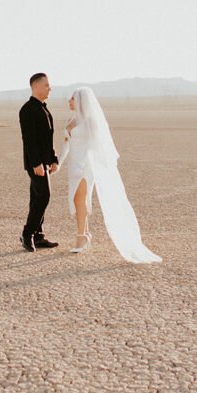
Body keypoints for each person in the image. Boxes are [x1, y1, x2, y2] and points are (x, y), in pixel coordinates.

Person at [57, 86, 161, 263]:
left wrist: (98, 164)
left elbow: (99, 144)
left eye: (72, 98)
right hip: (73, 166)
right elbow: (66, 144)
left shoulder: (91, 121)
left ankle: (81, 237)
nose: (69, 101)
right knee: (78, 199)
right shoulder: (72, 119)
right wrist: (58, 163)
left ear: (81, 100)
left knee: (79, 199)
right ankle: (86, 234)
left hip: (85, 165)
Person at [18, 73, 59, 252]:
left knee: (36, 198)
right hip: (36, 164)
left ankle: (38, 236)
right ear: (35, 87)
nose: (50, 88)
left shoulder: (44, 109)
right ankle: (27, 234)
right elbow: (29, 140)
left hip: (44, 163)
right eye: (46, 85)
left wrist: (53, 159)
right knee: (44, 196)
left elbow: (48, 139)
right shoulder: (27, 109)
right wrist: (36, 163)